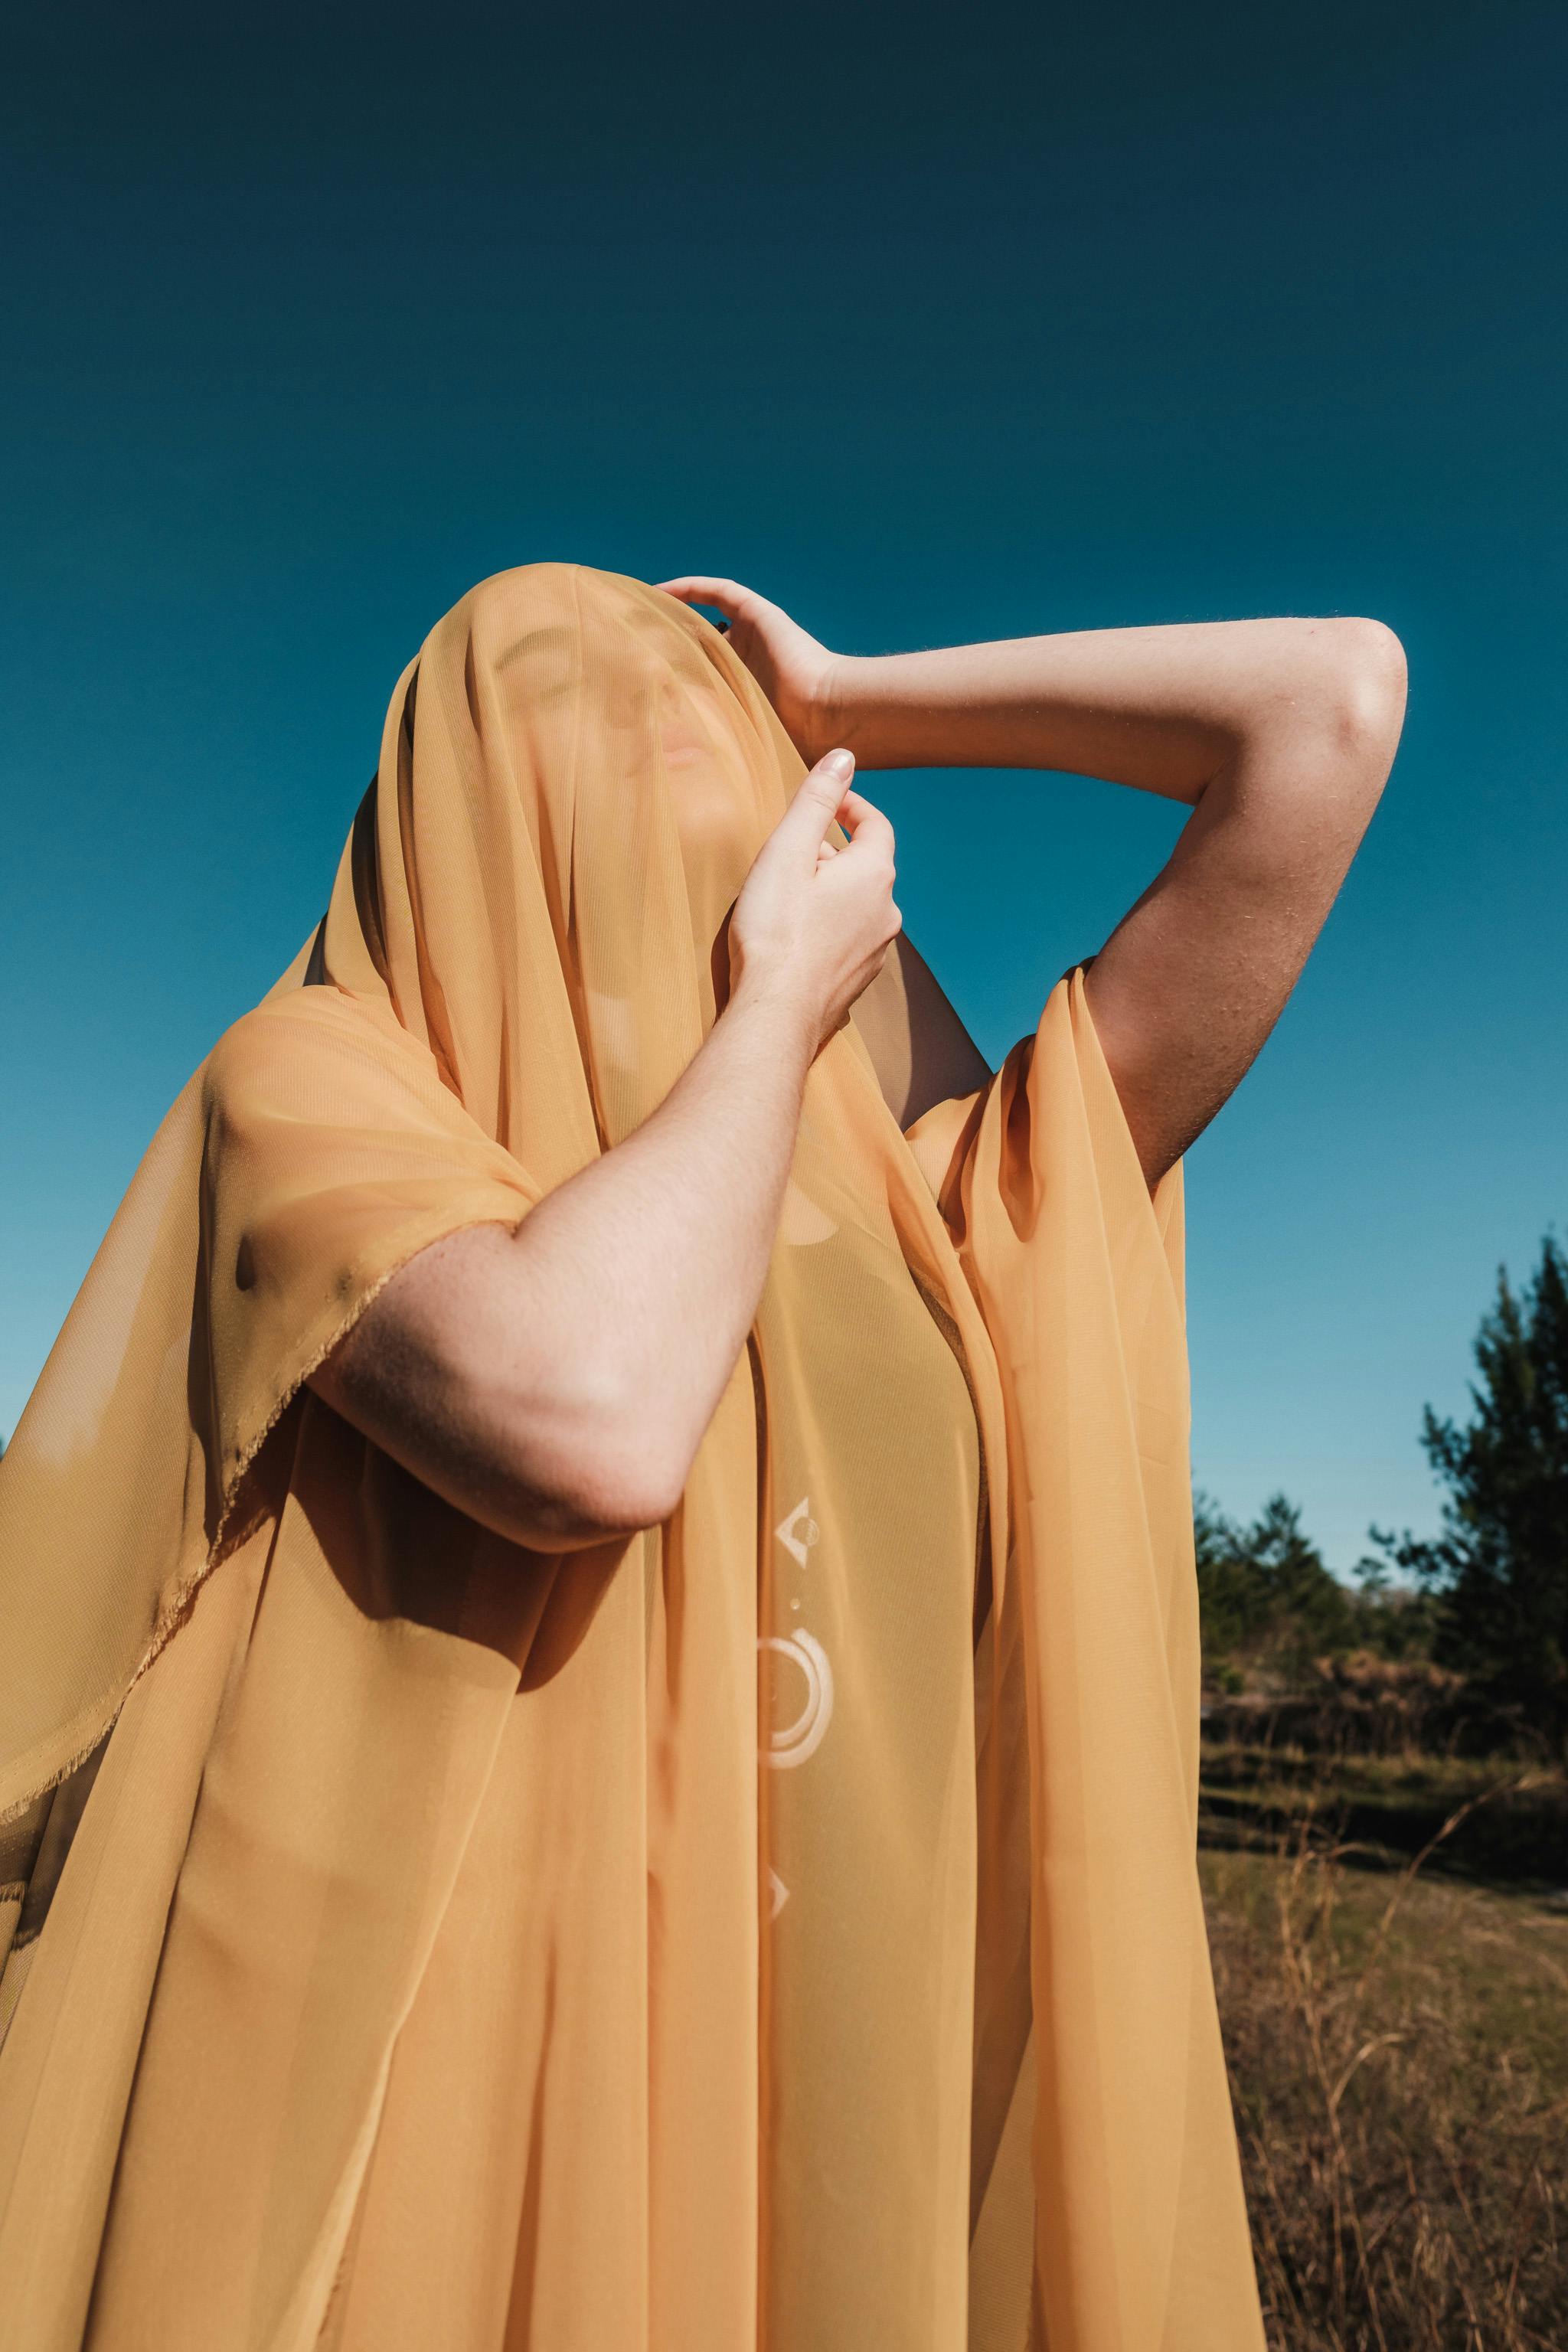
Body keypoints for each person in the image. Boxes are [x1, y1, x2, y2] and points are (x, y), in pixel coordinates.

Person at [0, 562, 1404, 2351]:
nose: (661, 713)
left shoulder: (949, 1200)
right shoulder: (316, 1083)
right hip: (427, 2161)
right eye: (562, 693)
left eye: (688, 697)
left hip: (821, 2145)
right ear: (453, 796)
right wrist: (772, 1008)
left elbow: (1329, 705)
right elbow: (587, 1418)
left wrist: (843, 694)